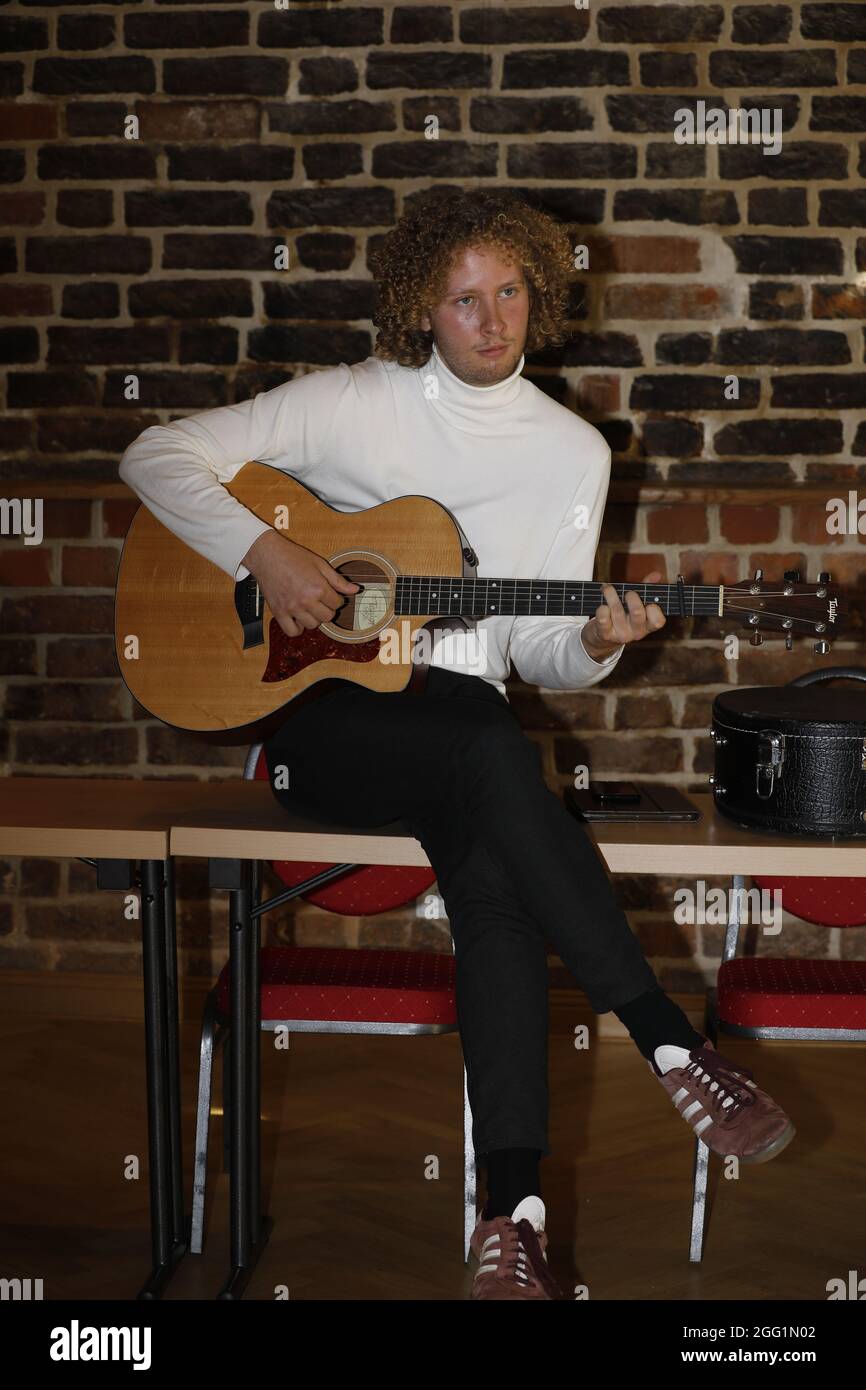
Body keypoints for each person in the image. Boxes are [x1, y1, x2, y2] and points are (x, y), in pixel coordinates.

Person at [119, 187, 794, 1301]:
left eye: (509, 292)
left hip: (463, 724)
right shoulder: (349, 404)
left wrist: (593, 637)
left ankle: (510, 1218)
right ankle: (673, 1045)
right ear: (420, 310)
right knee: (493, 762)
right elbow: (157, 454)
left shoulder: (570, 451)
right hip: (317, 723)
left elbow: (538, 654)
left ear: (539, 291)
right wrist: (268, 560)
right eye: (462, 300)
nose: (490, 320)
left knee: (490, 829)